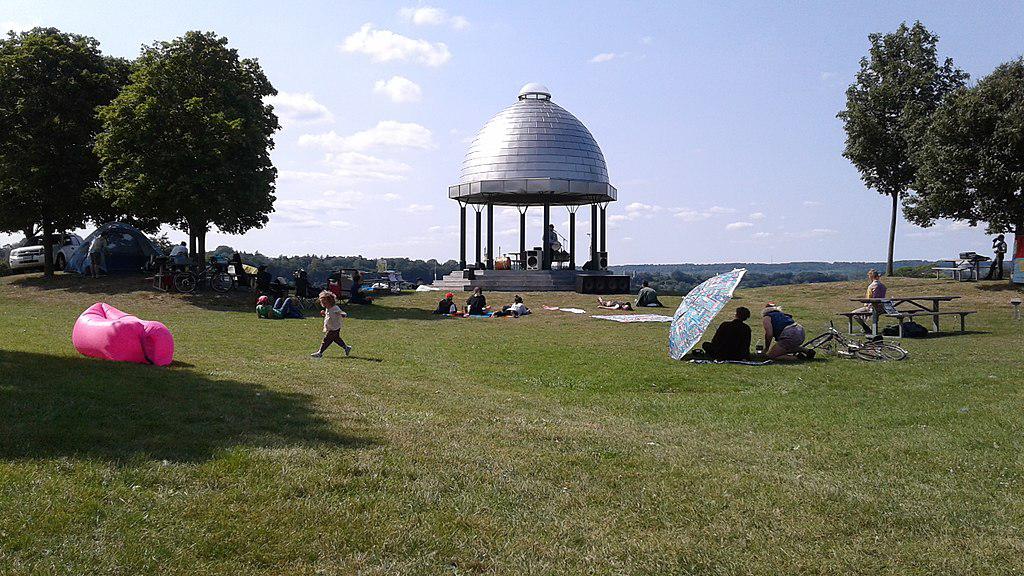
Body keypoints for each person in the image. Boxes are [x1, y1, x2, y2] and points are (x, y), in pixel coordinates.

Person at [311, 290, 352, 358]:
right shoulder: (328, 308)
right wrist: (324, 314)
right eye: (322, 302)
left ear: (330, 301)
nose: (323, 304)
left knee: (326, 339)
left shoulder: (334, 308)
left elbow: (340, 312)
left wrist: (343, 314)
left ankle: (320, 352)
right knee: (336, 339)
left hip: (334, 328)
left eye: (324, 302)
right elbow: (329, 316)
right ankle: (346, 347)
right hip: (331, 327)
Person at [850, 269, 887, 334]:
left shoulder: (871, 286)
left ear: (871, 276)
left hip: (872, 307)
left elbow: (868, 299)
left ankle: (866, 328)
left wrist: (866, 305)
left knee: (854, 313)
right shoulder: (883, 286)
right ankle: (867, 328)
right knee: (865, 313)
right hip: (882, 307)